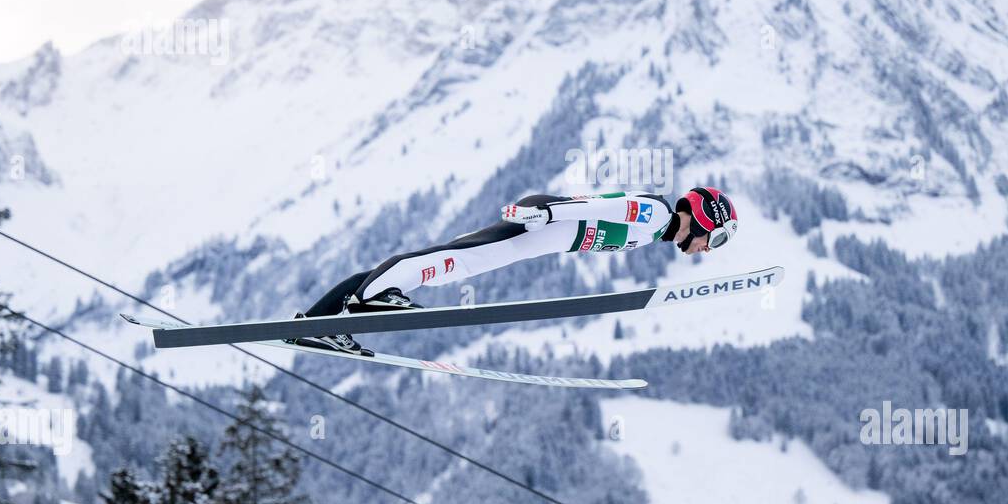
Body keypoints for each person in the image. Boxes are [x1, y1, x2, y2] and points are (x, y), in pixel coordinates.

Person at [291, 186, 739, 355]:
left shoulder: (655, 229)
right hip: (542, 221)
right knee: (456, 260)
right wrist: (548, 213)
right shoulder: (656, 215)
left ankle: (321, 322)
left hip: (541, 232)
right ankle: (373, 298)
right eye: (713, 238)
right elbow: (604, 205)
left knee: (453, 258)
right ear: (701, 217)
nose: (705, 249)